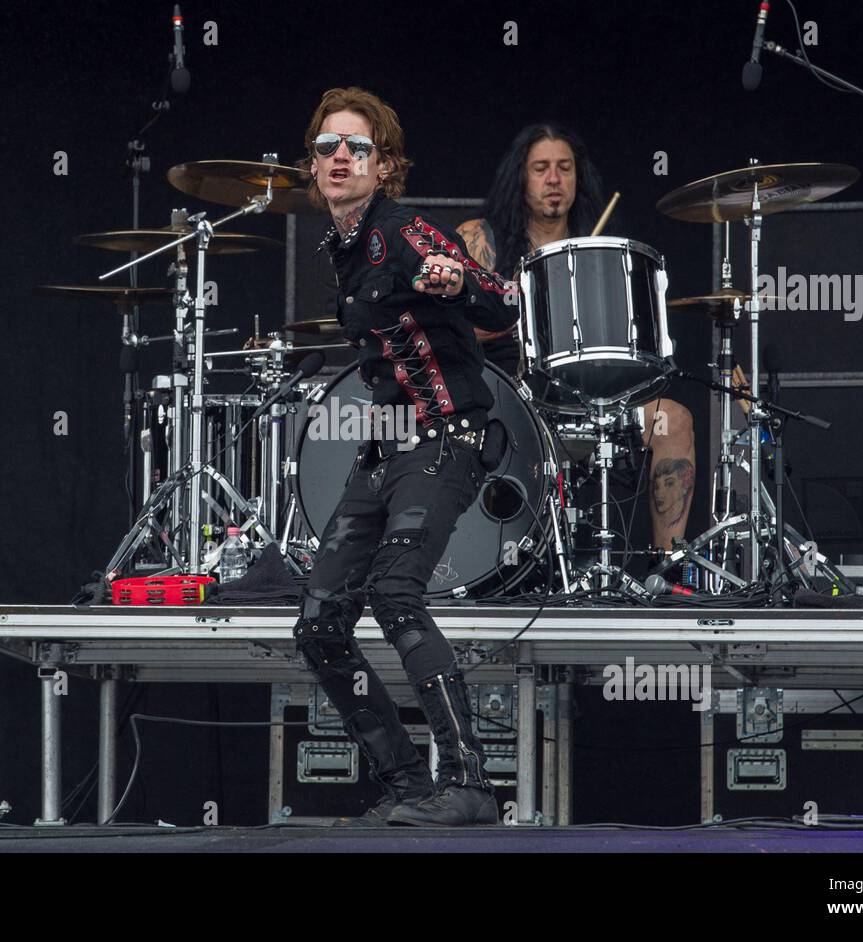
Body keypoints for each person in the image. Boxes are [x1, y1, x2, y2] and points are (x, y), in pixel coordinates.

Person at [290, 87, 518, 826]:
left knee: (395, 593)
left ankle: (471, 784)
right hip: (382, 450)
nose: (339, 158)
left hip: (446, 439)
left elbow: (497, 299)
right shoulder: (347, 246)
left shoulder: (407, 231)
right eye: (327, 147)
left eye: (355, 147)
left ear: (384, 166)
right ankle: (407, 785)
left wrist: (459, 278)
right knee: (320, 622)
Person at [457, 124, 697, 549]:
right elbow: (448, 323)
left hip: (589, 404)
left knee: (673, 420)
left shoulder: (595, 249)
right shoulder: (482, 240)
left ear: (577, 178)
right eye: (541, 168)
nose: (554, 179)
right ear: (521, 178)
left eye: (564, 168)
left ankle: (668, 566)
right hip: (506, 404)